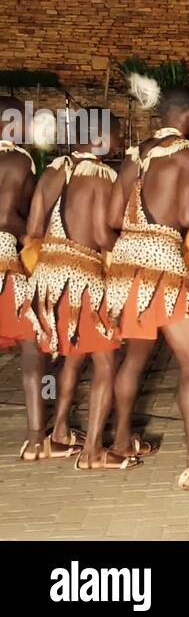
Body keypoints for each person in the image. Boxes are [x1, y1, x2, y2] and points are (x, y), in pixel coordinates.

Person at [100, 76, 189, 488]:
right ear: (187, 115)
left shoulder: (136, 155)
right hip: (161, 261)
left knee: (136, 358)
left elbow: (111, 219)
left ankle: (121, 442)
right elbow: (187, 218)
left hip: (125, 263)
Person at [24, 107, 130, 469]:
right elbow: (101, 236)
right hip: (81, 275)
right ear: (100, 138)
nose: (119, 142)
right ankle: (93, 452)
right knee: (105, 360)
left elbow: (33, 229)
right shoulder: (102, 175)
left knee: (71, 354)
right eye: (117, 135)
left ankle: (59, 431)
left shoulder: (53, 169)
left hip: (45, 274)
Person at [0, 97, 50, 460]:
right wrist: (31, 237)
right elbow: (7, 217)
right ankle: (35, 440)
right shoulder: (19, 160)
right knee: (32, 347)